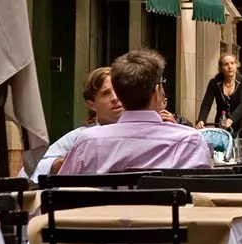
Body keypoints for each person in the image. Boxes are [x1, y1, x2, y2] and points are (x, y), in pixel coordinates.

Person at [61, 50, 212, 174]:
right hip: (165, 211)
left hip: (102, 211)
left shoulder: (86, 142)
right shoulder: (190, 142)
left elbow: (61, 194)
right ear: (157, 93)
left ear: (118, 95)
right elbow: (201, 201)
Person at [30, 66, 124, 180]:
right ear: (91, 105)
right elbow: (32, 169)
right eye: (105, 93)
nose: (115, 98)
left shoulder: (142, 133)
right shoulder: (80, 137)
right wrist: (70, 162)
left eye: (118, 90)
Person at [196, 53, 242, 129]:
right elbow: (206, 104)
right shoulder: (214, 83)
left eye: (232, 63)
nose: (230, 67)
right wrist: (201, 120)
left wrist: (231, 119)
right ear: (221, 68)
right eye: (226, 64)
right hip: (221, 124)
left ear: (236, 65)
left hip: (240, 124)